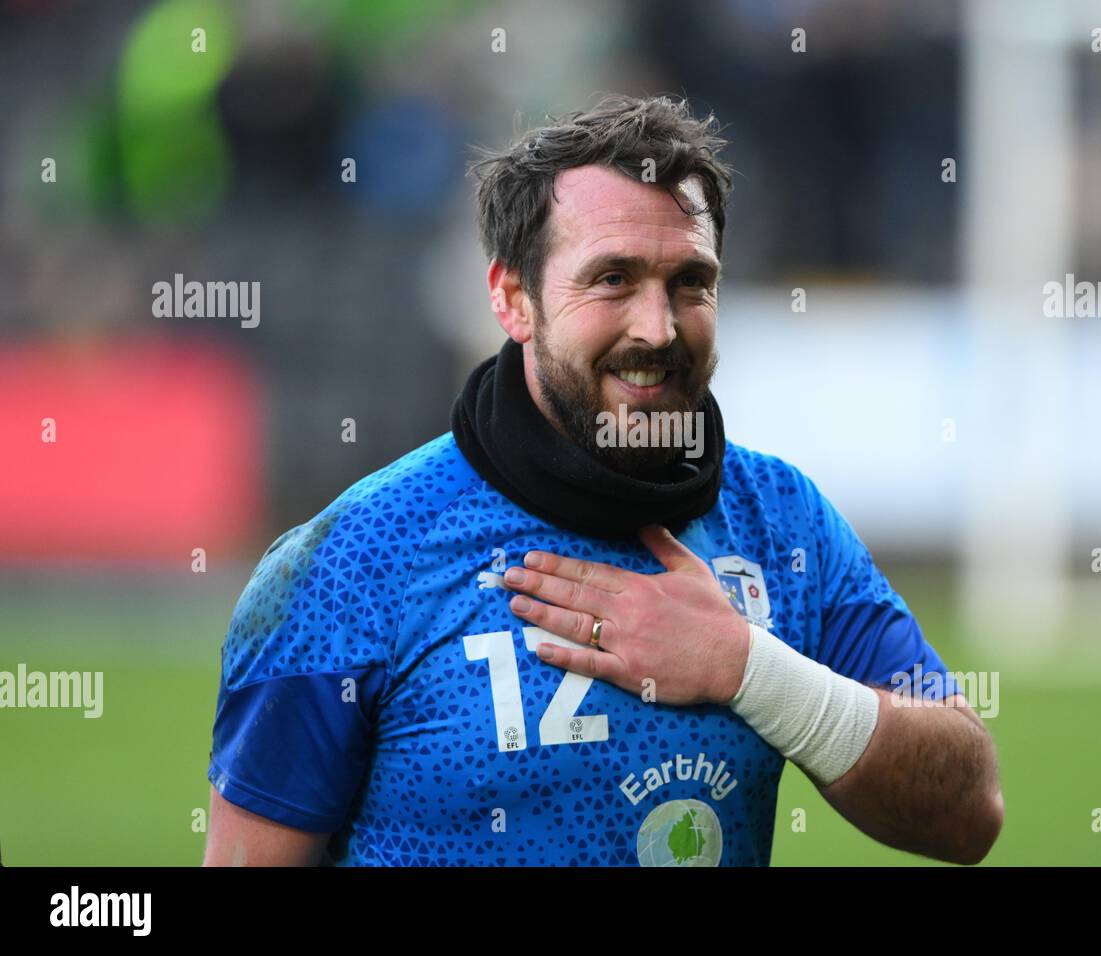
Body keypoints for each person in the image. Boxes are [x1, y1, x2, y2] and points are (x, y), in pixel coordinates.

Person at [202, 93, 1003, 866]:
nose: (657, 329)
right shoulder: (352, 560)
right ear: (514, 299)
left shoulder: (782, 523)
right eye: (612, 279)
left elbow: (969, 812)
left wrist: (746, 669)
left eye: (690, 282)